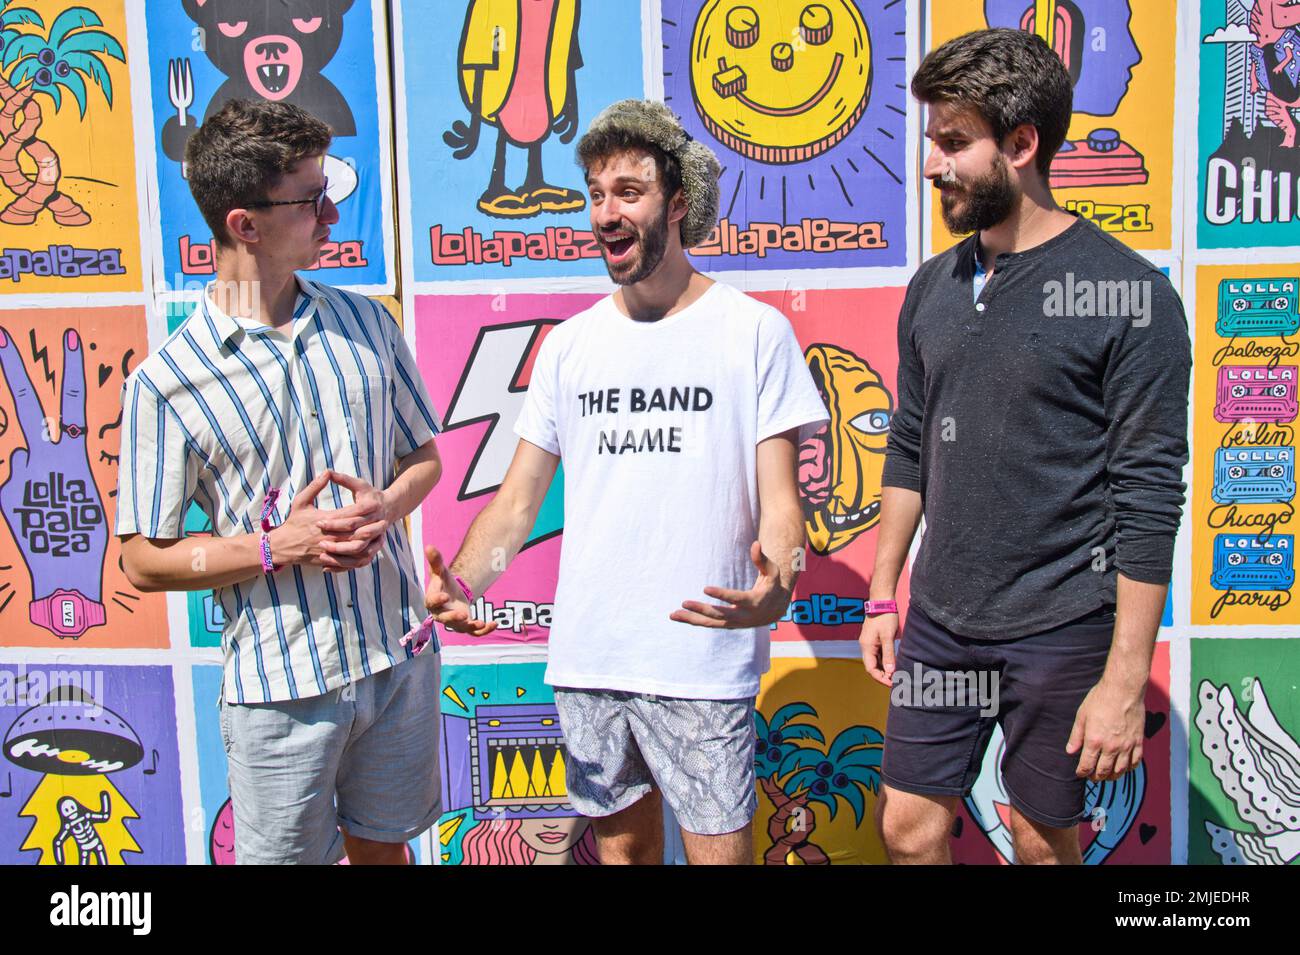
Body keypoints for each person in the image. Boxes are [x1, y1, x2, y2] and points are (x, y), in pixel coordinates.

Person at [424, 99, 829, 865]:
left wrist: (779, 584)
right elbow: (515, 505)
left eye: (629, 192)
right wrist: (469, 583)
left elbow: (782, 504)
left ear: (677, 204)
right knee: (622, 859)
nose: (607, 212)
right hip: (591, 661)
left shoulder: (754, 331)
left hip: (701, 662)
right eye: (596, 194)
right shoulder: (570, 347)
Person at [857, 29, 1190, 865]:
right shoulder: (932, 286)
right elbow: (908, 444)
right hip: (941, 623)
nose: (932, 163)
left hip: (1061, 626)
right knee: (906, 826)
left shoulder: (1130, 296)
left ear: (1022, 142)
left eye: (953, 142)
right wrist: (883, 591)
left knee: (1042, 843)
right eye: (932, 139)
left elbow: (1149, 499)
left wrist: (1123, 681)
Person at [116, 99, 444, 865]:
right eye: (310, 198)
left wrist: (384, 508)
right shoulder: (167, 382)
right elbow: (142, 558)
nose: (332, 213)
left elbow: (422, 460)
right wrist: (277, 546)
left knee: (387, 853)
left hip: (397, 660)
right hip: (280, 687)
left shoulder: (368, 324)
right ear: (244, 224)